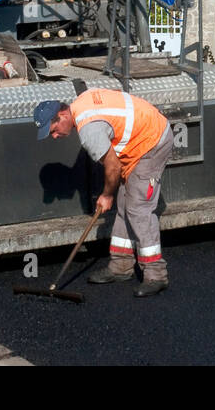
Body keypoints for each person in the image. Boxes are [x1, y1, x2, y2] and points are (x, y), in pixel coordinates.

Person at [33, 86, 173, 297]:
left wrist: (106, 195)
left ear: (62, 115)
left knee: (139, 209)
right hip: (138, 139)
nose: (54, 136)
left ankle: (156, 275)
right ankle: (121, 266)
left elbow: (113, 166)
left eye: (53, 129)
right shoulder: (80, 103)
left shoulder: (89, 130)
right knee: (125, 204)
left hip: (152, 141)